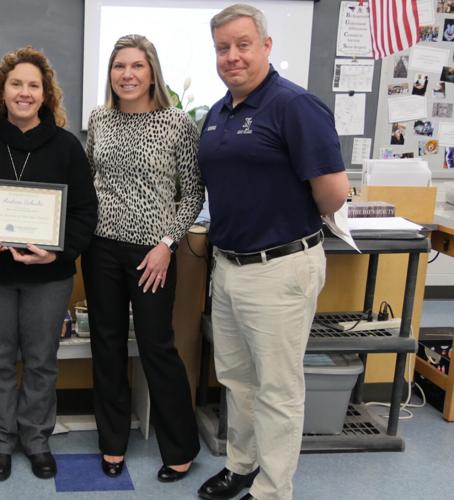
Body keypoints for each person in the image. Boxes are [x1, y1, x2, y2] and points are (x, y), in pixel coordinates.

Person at [197, 5, 348, 500]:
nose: (232, 56)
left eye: (243, 44)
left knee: (278, 390)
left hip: (280, 268)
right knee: (237, 380)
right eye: (223, 48)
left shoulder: (294, 106)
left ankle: (272, 489)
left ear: (265, 45)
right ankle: (242, 467)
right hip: (228, 267)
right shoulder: (218, 114)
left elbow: (334, 193)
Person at [0, 47, 97, 482]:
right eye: (17, 84)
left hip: (48, 275)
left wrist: (58, 251)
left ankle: (35, 439)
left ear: (46, 94)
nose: (25, 92)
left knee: (41, 360)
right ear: (2, 91)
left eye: (34, 85)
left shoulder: (68, 147)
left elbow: (85, 213)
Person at [82, 34, 203, 482]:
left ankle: (180, 446)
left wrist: (167, 243)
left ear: (152, 71)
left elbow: (192, 193)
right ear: (110, 74)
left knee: (156, 347)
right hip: (100, 249)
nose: (127, 75)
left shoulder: (177, 123)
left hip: (153, 253)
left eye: (136, 66)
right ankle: (112, 443)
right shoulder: (99, 119)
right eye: (119, 67)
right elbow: (89, 176)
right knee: (107, 345)